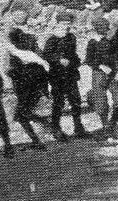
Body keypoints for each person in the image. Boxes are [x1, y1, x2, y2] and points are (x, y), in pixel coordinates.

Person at [42, 12, 90, 140]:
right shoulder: (52, 39)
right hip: (57, 75)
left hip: (71, 74)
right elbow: (46, 55)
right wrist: (58, 59)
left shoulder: (71, 37)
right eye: (64, 23)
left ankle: (78, 128)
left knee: (76, 101)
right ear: (58, 23)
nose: (66, 26)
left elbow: (73, 55)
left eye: (68, 23)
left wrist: (77, 62)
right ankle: (56, 129)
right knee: (58, 102)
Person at [6, 27, 52, 149]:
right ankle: (45, 128)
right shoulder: (33, 52)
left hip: (25, 88)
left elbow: (12, 72)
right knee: (23, 114)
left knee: (21, 116)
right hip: (36, 88)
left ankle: (39, 139)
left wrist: (12, 73)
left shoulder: (16, 53)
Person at [84, 16, 118, 133]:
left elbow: (117, 57)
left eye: (106, 28)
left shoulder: (112, 40)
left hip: (113, 73)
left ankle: (113, 121)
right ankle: (105, 124)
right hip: (99, 73)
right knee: (100, 100)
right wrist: (100, 66)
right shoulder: (92, 42)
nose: (106, 31)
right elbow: (88, 60)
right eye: (103, 29)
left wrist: (117, 70)